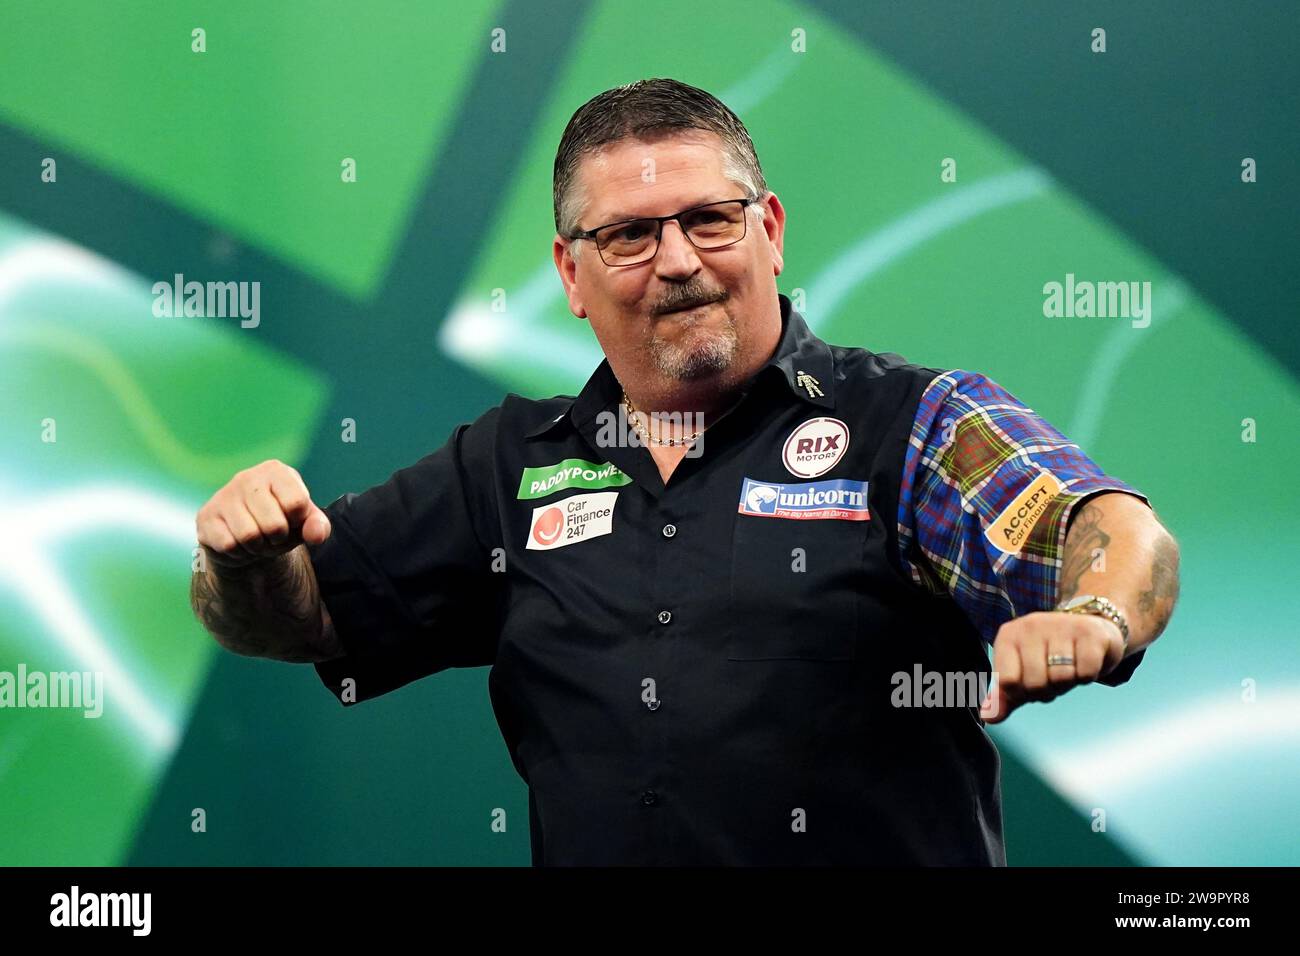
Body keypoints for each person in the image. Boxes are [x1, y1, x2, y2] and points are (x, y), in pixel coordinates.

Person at [191, 78, 1180, 865]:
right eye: (629, 234)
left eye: (709, 218)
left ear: (770, 229)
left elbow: (1114, 532)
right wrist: (243, 563)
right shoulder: (508, 464)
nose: (677, 260)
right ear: (570, 275)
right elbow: (304, 617)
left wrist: (1095, 614)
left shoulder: (909, 423)